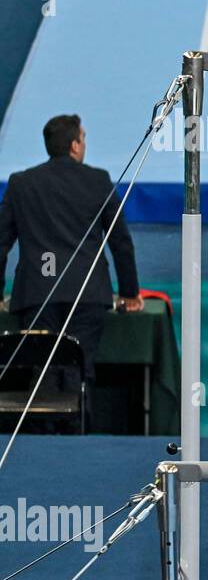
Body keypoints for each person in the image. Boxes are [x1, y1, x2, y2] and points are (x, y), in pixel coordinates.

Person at [0, 115, 143, 396]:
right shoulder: (98, 181)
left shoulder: (21, 183)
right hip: (87, 296)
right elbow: (120, 241)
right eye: (84, 137)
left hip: (37, 294)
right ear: (75, 145)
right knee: (79, 371)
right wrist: (129, 292)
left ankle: (43, 434)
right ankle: (77, 434)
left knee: (43, 372)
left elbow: (1, 243)